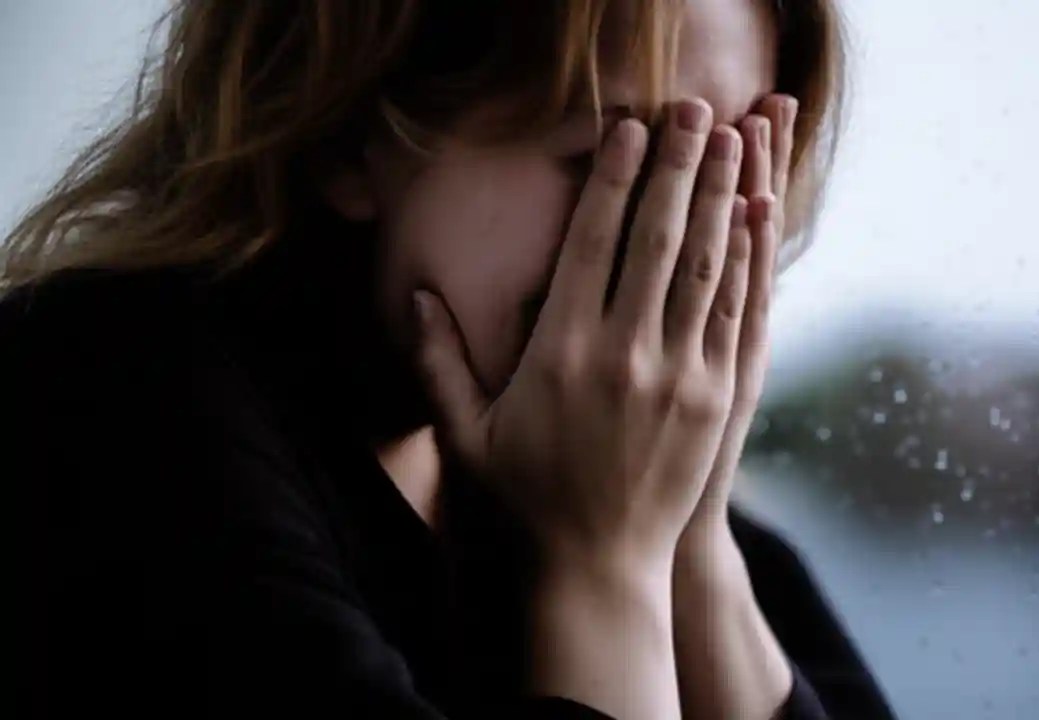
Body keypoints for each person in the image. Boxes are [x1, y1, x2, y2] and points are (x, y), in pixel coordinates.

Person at [3, 0, 894, 717]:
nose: (669, 244)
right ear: (346, 131)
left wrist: (687, 547)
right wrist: (605, 567)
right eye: (603, 161)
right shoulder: (115, 394)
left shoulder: (679, 521)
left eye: (721, 174)